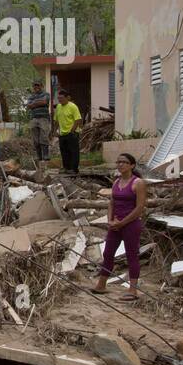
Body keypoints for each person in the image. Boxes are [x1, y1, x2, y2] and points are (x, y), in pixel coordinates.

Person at [93, 153, 147, 301]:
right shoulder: (116, 182)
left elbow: (139, 207)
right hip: (115, 224)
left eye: (124, 162)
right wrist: (110, 220)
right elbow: (112, 202)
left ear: (132, 165)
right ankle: (101, 284)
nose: (120, 164)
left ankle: (133, 290)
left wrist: (122, 223)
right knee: (108, 253)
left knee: (132, 255)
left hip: (131, 224)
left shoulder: (138, 183)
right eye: (119, 162)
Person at [54, 89, 83, 175]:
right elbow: (56, 120)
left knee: (73, 151)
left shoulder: (73, 106)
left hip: (72, 133)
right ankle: (66, 168)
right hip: (62, 133)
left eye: (62, 98)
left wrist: (72, 131)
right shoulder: (58, 107)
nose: (60, 100)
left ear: (67, 98)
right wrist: (55, 130)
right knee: (64, 152)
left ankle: (74, 169)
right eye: (58, 98)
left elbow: (78, 120)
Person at [25, 80, 52, 168]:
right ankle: (39, 157)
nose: (36, 87)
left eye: (38, 85)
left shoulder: (46, 94)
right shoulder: (31, 96)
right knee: (35, 140)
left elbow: (44, 102)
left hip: (44, 119)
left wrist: (34, 104)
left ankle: (46, 156)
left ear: (42, 86)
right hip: (34, 119)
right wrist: (37, 103)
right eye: (34, 86)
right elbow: (28, 106)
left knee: (44, 138)